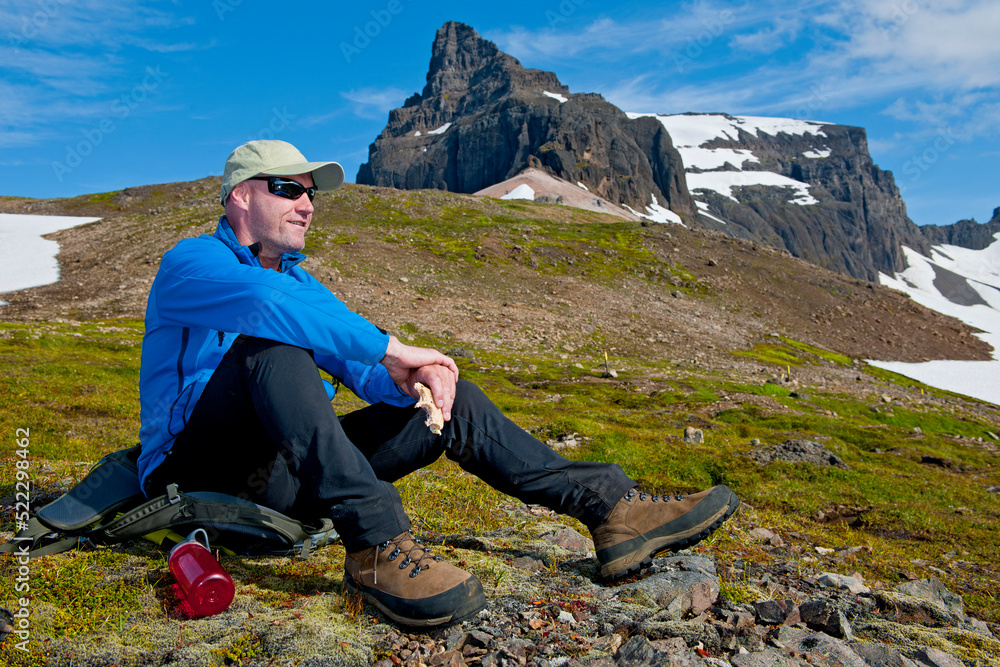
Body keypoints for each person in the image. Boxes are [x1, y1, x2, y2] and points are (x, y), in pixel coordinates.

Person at [138, 139, 740, 627]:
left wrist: (416, 377)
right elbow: (265, 305)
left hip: (283, 476)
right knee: (268, 341)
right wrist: (393, 346)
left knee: (449, 402)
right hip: (196, 476)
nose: (308, 204)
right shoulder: (190, 265)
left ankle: (609, 508)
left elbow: (361, 368)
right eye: (290, 189)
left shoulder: (301, 287)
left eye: (312, 194)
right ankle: (375, 543)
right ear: (243, 197)